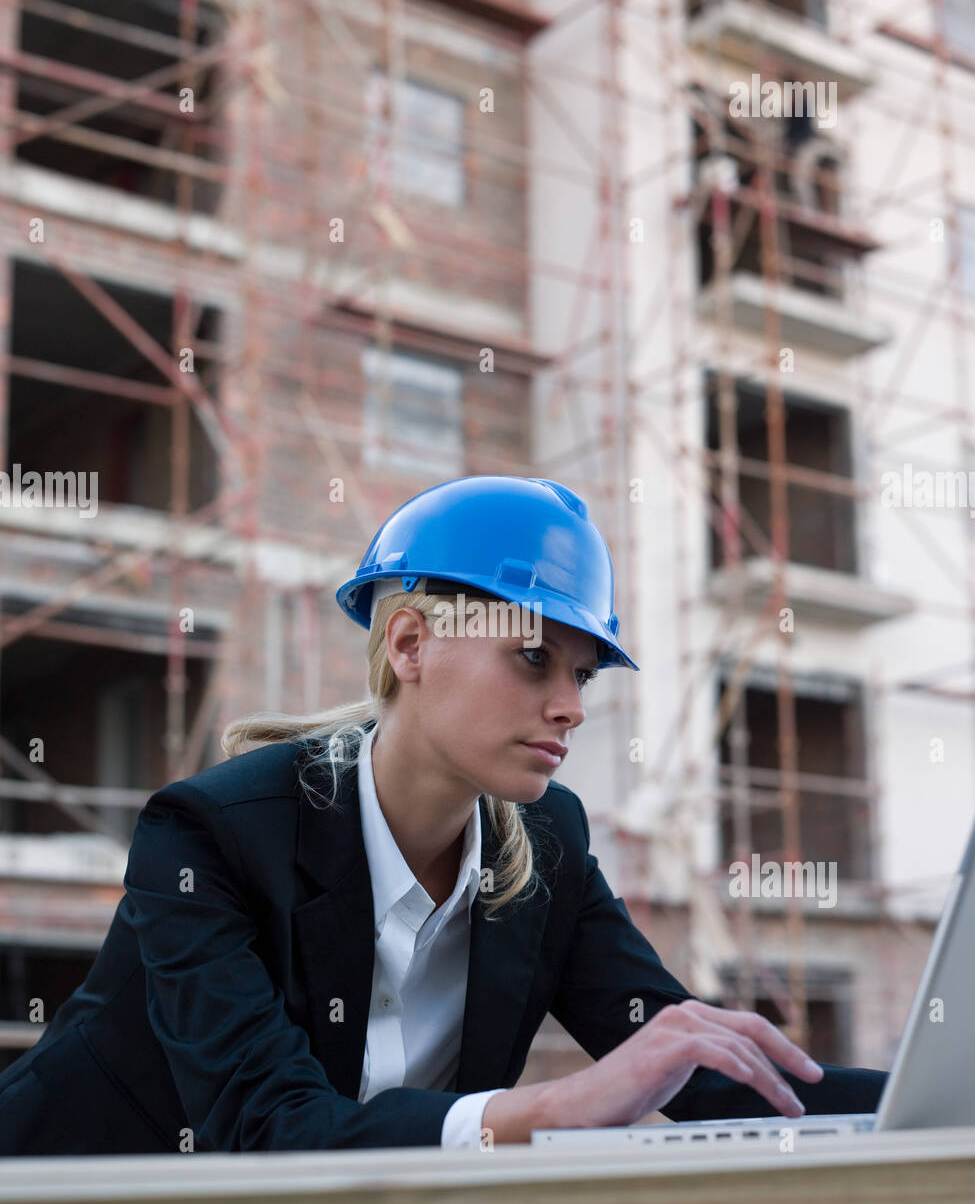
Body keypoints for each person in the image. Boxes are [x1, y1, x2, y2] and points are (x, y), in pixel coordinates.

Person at [0, 475, 886, 1154]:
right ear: (411, 645)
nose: (571, 706)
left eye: (580, 674)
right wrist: (546, 1109)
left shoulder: (549, 847)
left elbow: (702, 1074)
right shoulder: (214, 833)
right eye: (532, 658)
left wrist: (930, 1093)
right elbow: (268, 1129)